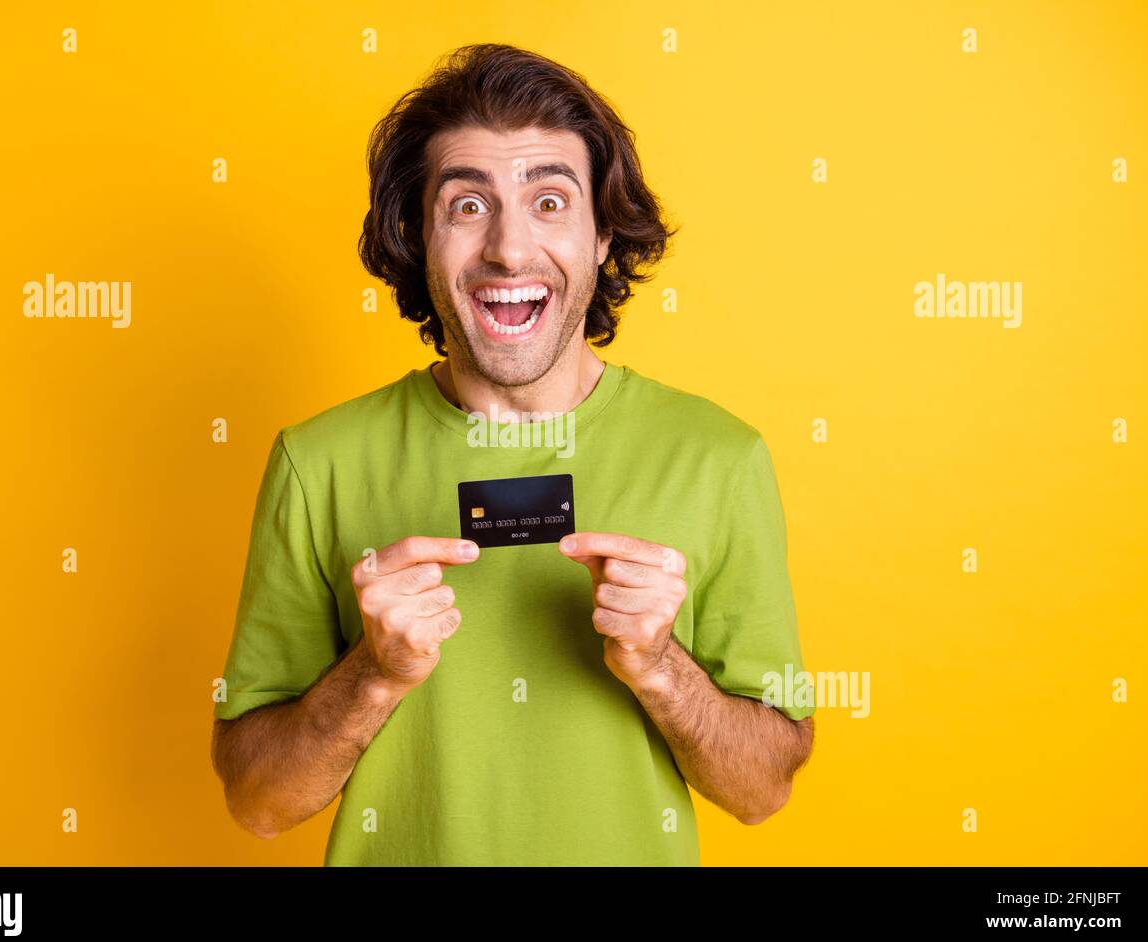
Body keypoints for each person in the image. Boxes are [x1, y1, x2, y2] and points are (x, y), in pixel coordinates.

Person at [210, 42, 815, 866]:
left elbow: (763, 790)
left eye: (550, 201)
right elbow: (257, 800)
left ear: (604, 236)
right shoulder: (316, 463)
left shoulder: (719, 457)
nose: (507, 249)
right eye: (467, 206)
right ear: (417, 239)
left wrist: (662, 668)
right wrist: (374, 675)